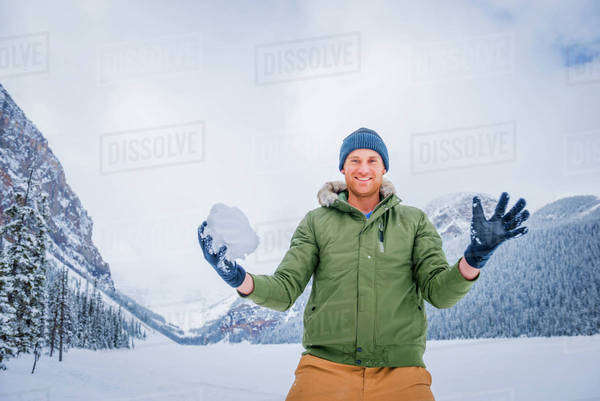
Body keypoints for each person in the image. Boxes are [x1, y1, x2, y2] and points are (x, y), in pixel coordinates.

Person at [197, 127, 530, 401]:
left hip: (401, 372)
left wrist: (475, 257)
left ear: (384, 168)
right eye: (354, 160)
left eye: (372, 160)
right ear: (343, 168)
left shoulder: (413, 221)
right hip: (323, 369)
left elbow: (439, 293)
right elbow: (285, 289)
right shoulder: (316, 222)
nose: (363, 168)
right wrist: (238, 277)